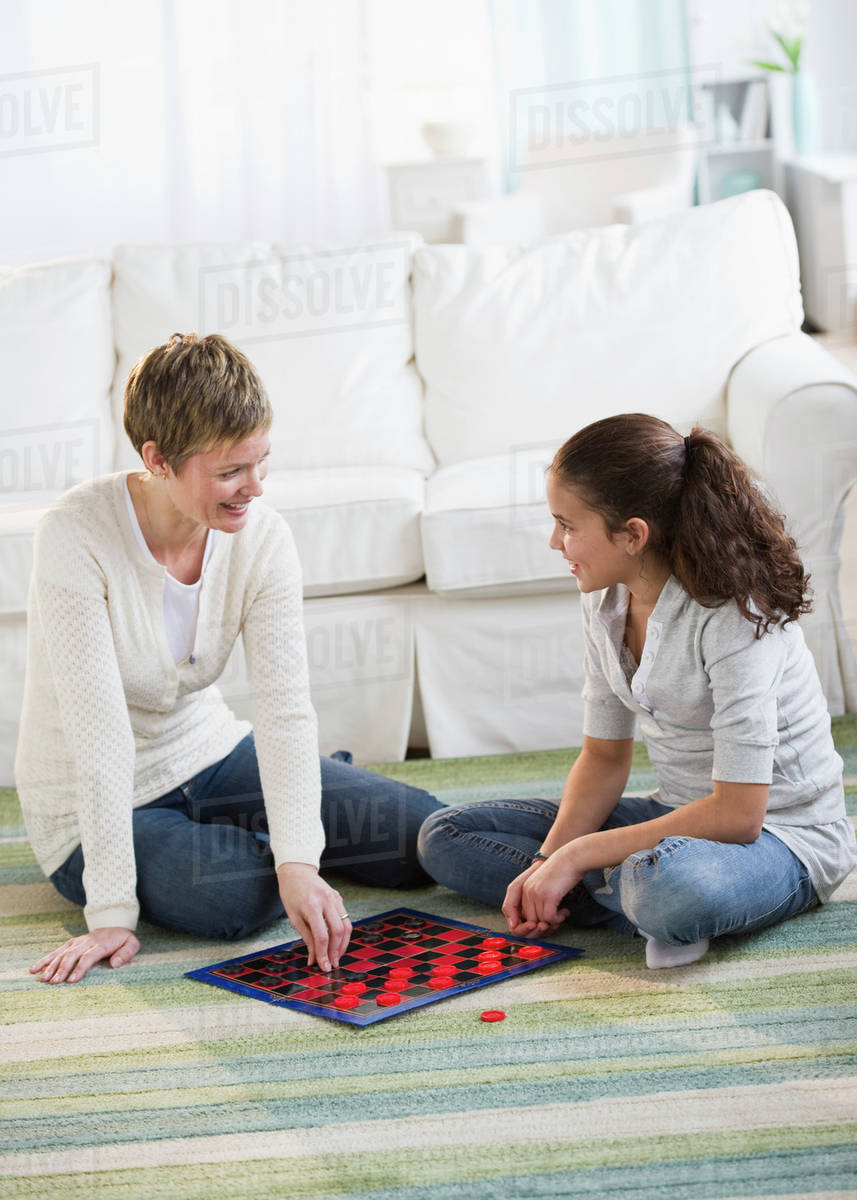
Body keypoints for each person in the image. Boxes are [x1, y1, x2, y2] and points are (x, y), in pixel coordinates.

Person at [18, 332, 441, 986]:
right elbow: (98, 739)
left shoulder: (262, 538)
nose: (254, 489)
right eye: (229, 473)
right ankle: (269, 826)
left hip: (208, 753)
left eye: (261, 462)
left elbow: (282, 711)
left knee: (417, 834)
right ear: (158, 459)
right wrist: (109, 912)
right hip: (93, 805)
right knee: (239, 894)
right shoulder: (75, 535)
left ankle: (285, 817)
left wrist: (300, 860)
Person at [417, 413, 857, 968]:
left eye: (568, 525)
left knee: (668, 886)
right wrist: (550, 857)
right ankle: (638, 905)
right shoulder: (603, 600)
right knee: (447, 836)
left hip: (780, 836)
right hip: (674, 817)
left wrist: (580, 855)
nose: (554, 541)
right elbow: (603, 758)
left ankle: (650, 903)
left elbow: (740, 815)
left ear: (633, 534)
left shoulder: (736, 614)